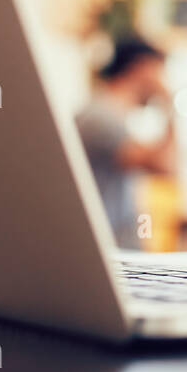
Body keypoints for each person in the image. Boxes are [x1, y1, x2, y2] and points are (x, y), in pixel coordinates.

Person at [75, 37, 177, 249]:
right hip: (104, 250)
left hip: (114, 248)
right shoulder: (100, 118)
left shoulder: (109, 117)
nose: (163, 80)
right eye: (160, 71)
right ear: (143, 69)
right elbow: (165, 166)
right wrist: (169, 104)